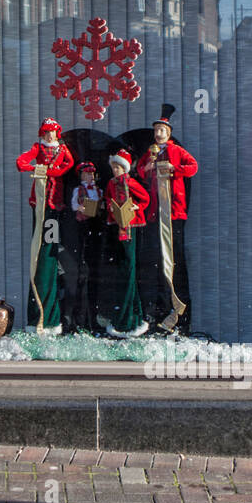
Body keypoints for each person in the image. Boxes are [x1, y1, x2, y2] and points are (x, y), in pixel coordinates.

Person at [134, 104, 197, 332]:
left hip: (172, 213)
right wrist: (148, 167)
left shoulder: (177, 151)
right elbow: (140, 170)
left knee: (174, 261)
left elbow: (192, 167)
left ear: (168, 132)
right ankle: (158, 311)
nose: (158, 133)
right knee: (157, 262)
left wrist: (174, 168)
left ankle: (179, 313)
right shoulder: (150, 152)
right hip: (155, 214)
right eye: (156, 130)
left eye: (162, 130)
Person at [16, 118, 74, 335]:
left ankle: (48, 315)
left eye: (53, 132)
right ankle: (40, 314)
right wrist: (32, 167)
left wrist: (50, 172)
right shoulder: (38, 148)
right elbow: (22, 161)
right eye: (47, 132)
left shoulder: (62, 150)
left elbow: (68, 164)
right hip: (39, 204)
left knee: (50, 248)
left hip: (53, 208)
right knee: (39, 247)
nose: (50, 136)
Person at [102, 150, 150, 336]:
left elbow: (145, 198)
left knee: (129, 265)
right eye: (114, 167)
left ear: (125, 168)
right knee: (123, 265)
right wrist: (110, 206)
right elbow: (108, 197)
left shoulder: (131, 182)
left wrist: (136, 207)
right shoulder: (111, 183)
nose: (115, 171)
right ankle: (131, 314)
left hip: (130, 225)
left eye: (118, 167)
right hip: (118, 225)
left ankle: (129, 316)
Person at [67, 161, 107, 333]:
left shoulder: (99, 190)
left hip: (97, 224)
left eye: (92, 174)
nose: (90, 176)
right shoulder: (79, 190)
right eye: (87, 174)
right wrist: (82, 208)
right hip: (84, 226)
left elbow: (103, 204)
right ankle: (78, 319)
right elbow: (75, 205)